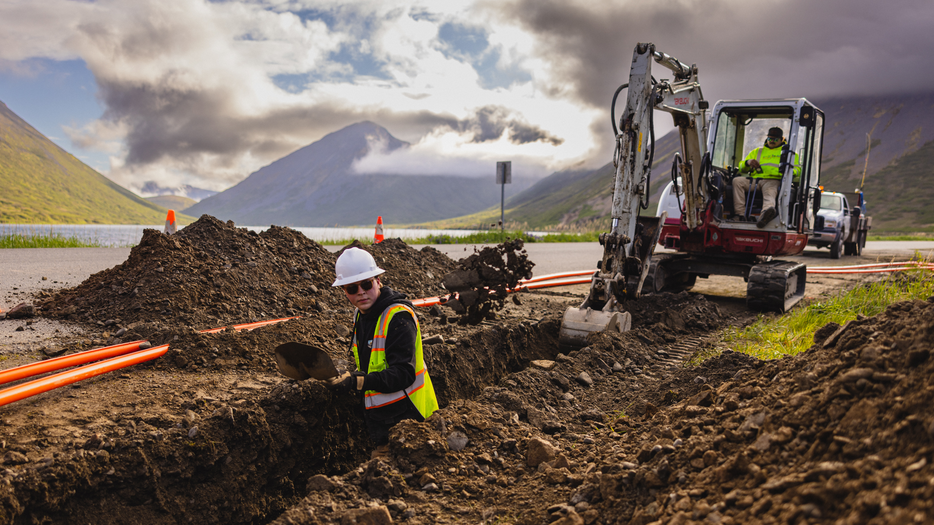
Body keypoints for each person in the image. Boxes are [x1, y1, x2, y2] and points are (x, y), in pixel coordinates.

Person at [326, 247, 439, 459]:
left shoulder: (398, 317)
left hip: (410, 422)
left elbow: (404, 374)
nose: (361, 292)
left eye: (366, 284)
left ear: (378, 281)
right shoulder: (360, 314)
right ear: (344, 291)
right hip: (384, 419)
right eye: (352, 288)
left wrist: (358, 381)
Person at [732, 126, 800, 228]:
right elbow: (742, 168)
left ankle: (765, 215)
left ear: (782, 139)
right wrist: (747, 162)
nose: (771, 141)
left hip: (773, 180)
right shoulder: (757, 151)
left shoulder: (789, 154)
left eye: (775, 139)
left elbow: (798, 170)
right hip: (755, 179)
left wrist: (788, 171)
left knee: (770, 192)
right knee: (737, 181)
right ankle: (740, 215)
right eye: (769, 138)